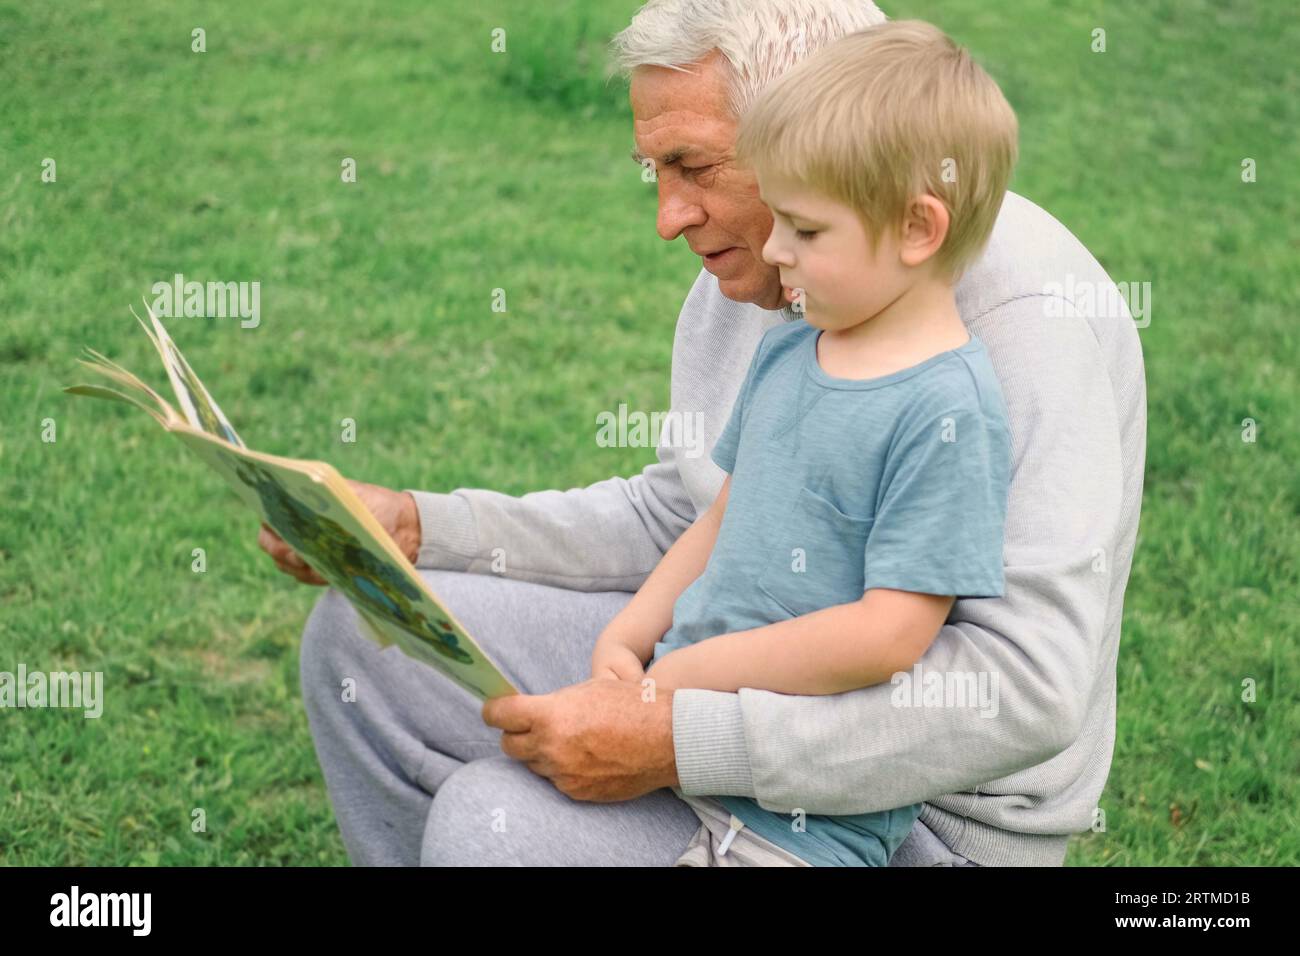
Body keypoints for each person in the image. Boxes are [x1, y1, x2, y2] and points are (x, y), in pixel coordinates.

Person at [268, 0, 1147, 867]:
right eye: (654, 170)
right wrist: (429, 529)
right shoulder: (773, 276)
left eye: (695, 166)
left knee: (492, 822)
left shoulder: (1024, 318)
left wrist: (680, 735)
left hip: (918, 819)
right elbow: (681, 514)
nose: (667, 217)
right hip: (706, 671)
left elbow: (1026, 690)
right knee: (365, 635)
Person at [587, 18, 1018, 866]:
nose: (776, 249)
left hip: (807, 821)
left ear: (917, 229)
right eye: (776, 217)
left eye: (805, 230)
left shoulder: (949, 410)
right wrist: (631, 636)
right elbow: (722, 517)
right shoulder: (793, 344)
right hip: (685, 738)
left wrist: (683, 679)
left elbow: (886, 636)